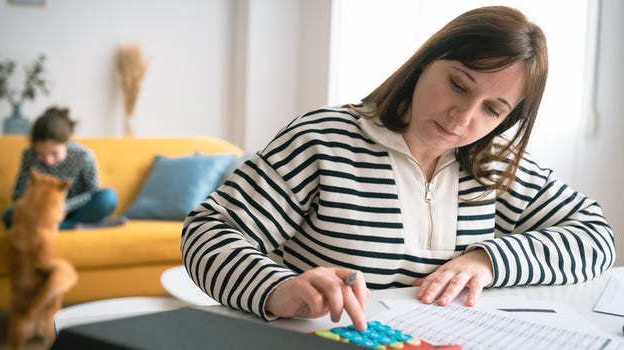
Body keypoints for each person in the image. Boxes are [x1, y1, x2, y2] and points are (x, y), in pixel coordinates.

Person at [181, 6, 615, 331]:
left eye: (492, 110)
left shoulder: (495, 166)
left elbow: (596, 237)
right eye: (458, 84)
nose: (462, 118)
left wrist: (489, 260)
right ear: (425, 62)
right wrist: (277, 289)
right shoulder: (324, 140)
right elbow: (207, 232)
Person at [3, 106, 123, 230]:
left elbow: (93, 193)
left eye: (54, 153)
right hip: (42, 214)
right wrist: (41, 207)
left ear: (68, 142)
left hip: (77, 212)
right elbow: (18, 195)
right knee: (9, 216)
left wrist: (65, 206)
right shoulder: (29, 155)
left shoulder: (84, 156)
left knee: (108, 197)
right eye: (40, 154)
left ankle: (60, 226)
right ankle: (79, 227)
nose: (48, 160)